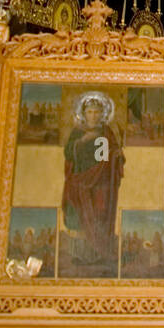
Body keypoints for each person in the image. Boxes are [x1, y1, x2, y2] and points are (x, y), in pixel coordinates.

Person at [62, 93, 125, 266]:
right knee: (79, 217)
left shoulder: (106, 131)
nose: (93, 115)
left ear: (102, 114)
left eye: (97, 112)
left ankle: (100, 254)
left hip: (101, 183)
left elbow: (110, 153)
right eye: (90, 112)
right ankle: (81, 255)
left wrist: (117, 155)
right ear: (84, 114)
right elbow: (68, 154)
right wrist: (82, 141)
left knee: (99, 215)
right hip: (80, 182)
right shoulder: (77, 132)